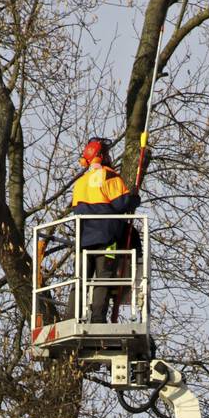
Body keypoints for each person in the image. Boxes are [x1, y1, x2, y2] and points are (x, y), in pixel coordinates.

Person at [66, 137, 139, 323]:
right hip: (106, 238)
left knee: (80, 280)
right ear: (102, 156)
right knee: (104, 278)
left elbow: (77, 210)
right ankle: (97, 318)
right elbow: (121, 203)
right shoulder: (109, 176)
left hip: (84, 240)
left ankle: (70, 318)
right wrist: (134, 199)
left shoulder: (80, 182)